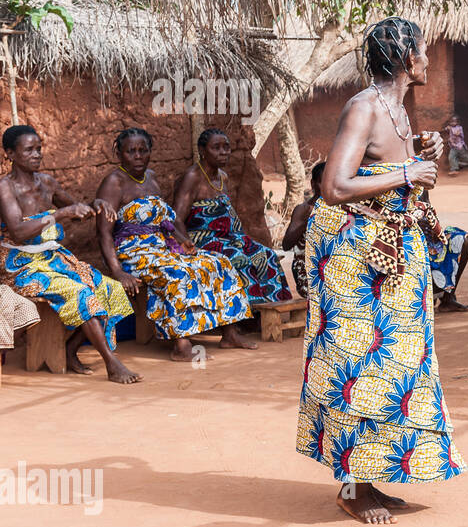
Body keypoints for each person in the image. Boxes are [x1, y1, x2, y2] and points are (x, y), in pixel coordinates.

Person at [297, 16, 465, 525]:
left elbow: (393, 178)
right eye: (423, 50)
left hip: (388, 248)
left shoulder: (397, 109)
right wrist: (408, 170)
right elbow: (334, 185)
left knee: (393, 361)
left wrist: (421, 157)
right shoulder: (364, 107)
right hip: (353, 251)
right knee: (353, 360)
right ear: (405, 57)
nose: (429, 59)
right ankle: (352, 487)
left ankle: (370, 473)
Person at [96, 128, 256, 362]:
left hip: (162, 247)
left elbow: (166, 220)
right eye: (131, 151)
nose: (138, 156)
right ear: (119, 154)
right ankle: (181, 344)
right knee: (177, 274)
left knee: (218, 263)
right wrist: (117, 271)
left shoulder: (150, 177)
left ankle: (229, 333)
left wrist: (182, 242)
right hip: (133, 252)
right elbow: (103, 232)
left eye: (143, 150)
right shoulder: (113, 183)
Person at [0, 125, 139, 383]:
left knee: (109, 289)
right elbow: (18, 232)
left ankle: (70, 349)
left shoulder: (48, 183)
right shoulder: (5, 188)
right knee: (80, 293)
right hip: (21, 266)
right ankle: (112, 363)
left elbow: (75, 207)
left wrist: (94, 205)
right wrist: (60, 215)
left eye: (39, 149)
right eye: (28, 150)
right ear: (10, 153)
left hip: (54, 260)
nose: (36, 154)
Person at [173, 128, 293, 305]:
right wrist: (185, 243)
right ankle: (244, 314)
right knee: (239, 259)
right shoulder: (192, 177)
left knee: (267, 255)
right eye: (216, 147)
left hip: (230, 238)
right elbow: (176, 218)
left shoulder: (223, 177)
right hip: (202, 239)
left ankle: (270, 310)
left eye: (226, 147)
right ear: (202, 150)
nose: (223, 152)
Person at [283, 161, 324, 298]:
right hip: (308, 273)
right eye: (322, 182)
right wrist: (307, 219)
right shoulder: (304, 209)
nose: (328, 186)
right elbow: (286, 244)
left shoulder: (342, 208)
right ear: (313, 184)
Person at [428, 224, 468, 313]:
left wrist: (437, 233)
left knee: (462, 238)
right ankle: (427, 297)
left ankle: (448, 298)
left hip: (432, 241)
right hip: (412, 242)